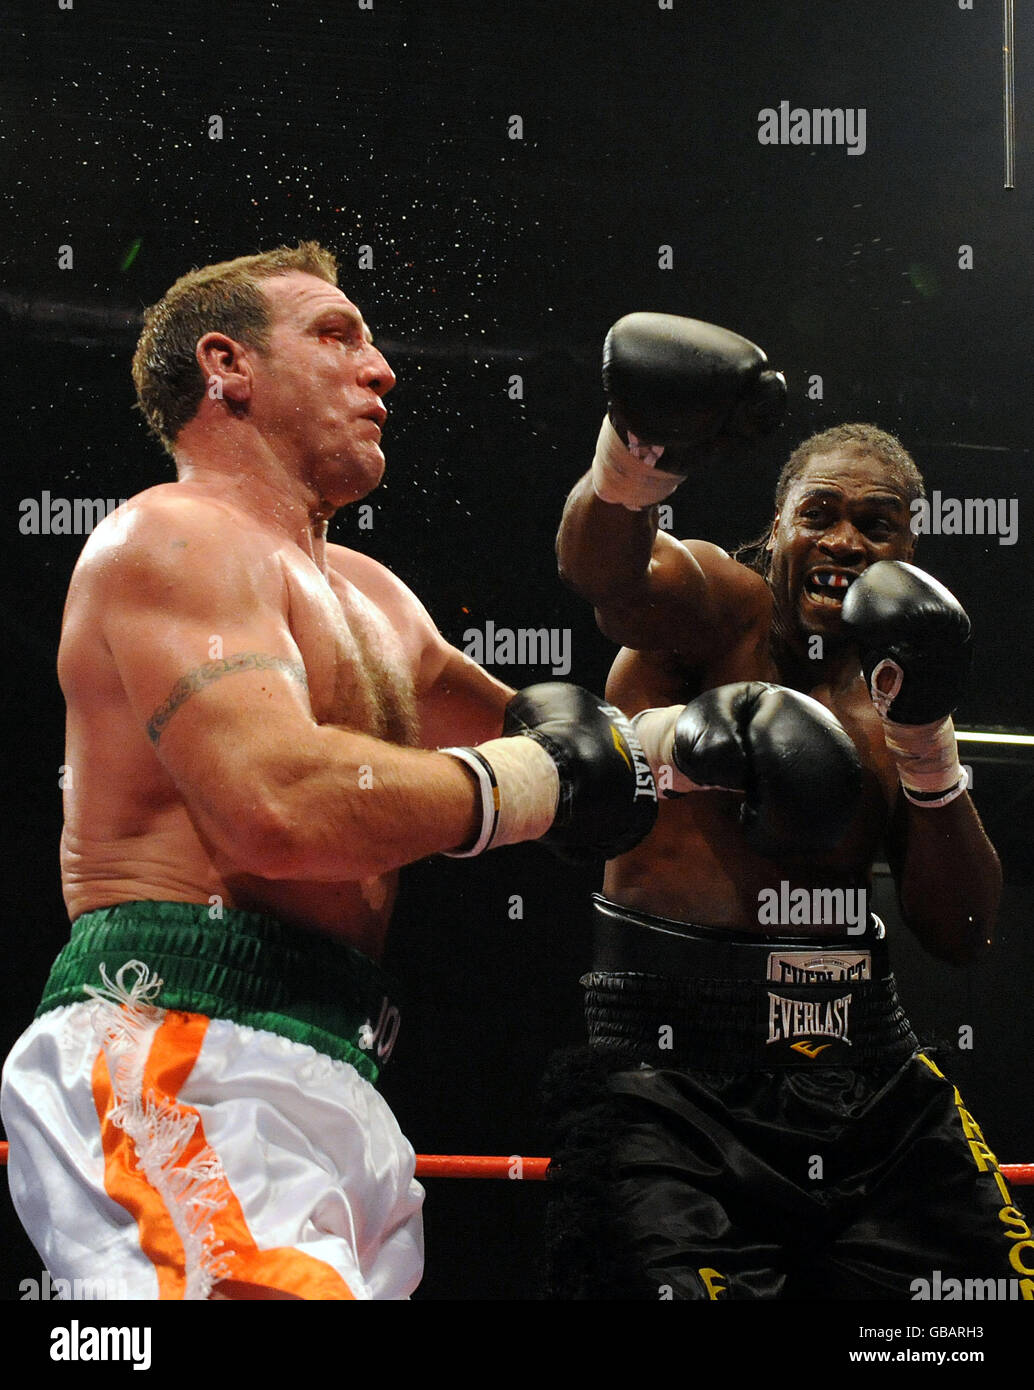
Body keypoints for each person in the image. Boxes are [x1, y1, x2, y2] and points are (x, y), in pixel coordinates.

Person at [0, 244, 656, 1301]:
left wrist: (697, 745)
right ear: (227, 367)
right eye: (334, 334)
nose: (382, 368)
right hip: (176, 1042)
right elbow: (279, 806)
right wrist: (527, 784)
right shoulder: (167, 539)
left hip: (338, 1067)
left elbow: (575, 756)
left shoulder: (376, 599)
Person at [547, 312, 1026, 1301]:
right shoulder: (719, 607)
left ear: (909, 549)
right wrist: (637, 462)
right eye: (821, 514)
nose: (844, 540)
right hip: (672, 1066)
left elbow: (961, 931)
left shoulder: (899, 687)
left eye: (876, 523)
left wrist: (926, 746)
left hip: (862, 1058)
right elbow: (606, 575)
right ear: (777, 526)